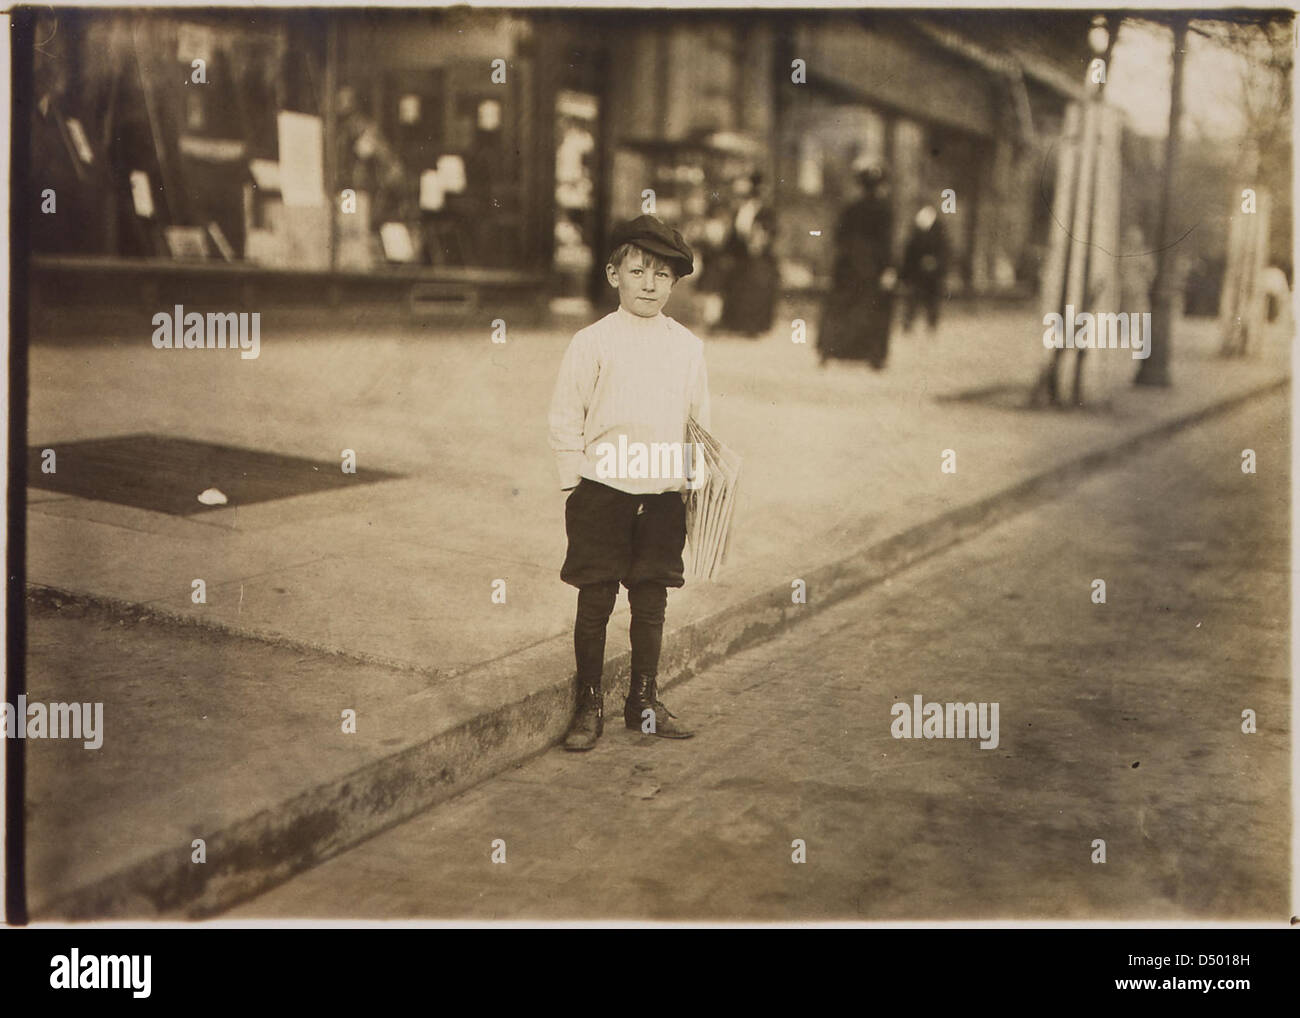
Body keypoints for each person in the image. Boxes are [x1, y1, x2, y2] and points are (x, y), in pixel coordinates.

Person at [548, 215, 711, 751]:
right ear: (613, 274)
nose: (649, 284)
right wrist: (575, 481)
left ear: (674, 283)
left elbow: (697, 420)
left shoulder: (686, 347)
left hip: (663, 492)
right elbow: (566, 412)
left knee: (651, 598)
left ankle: (642, 698)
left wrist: (691, 479)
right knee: (595, 600)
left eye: (662, 276)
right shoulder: (593, 341)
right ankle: (587, 703)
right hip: (603, 489)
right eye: (637, 270)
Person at [817, 159, 897, 369]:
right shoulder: (884, 210)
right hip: (872, 266)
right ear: (880, 185)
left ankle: (830, 350)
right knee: (873, 307)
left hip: (848, 265)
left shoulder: (850, 208)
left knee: (842, 305)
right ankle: (872, 355)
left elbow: (838, 237)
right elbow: (885, 242)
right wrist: (888, 268)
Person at [718, 172, 780, 337]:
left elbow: (771, 231)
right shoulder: (741, 210)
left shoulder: (766, 211)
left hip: (760, 256)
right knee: (738, 288)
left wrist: (760, 239)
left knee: (757, 289)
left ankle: (755, 326)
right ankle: (737, 324)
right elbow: (734, 233)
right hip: (741, 255)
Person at [901, 205, 949, 333]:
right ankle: (908, 323)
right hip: (917, 273)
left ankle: (931, 324)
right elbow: (909, 254)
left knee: (932, 300)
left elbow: (944, 253)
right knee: (912, 299)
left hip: (933, 274)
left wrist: (936, 263)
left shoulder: (939, 233)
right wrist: (905, 274)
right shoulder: (916, 234)